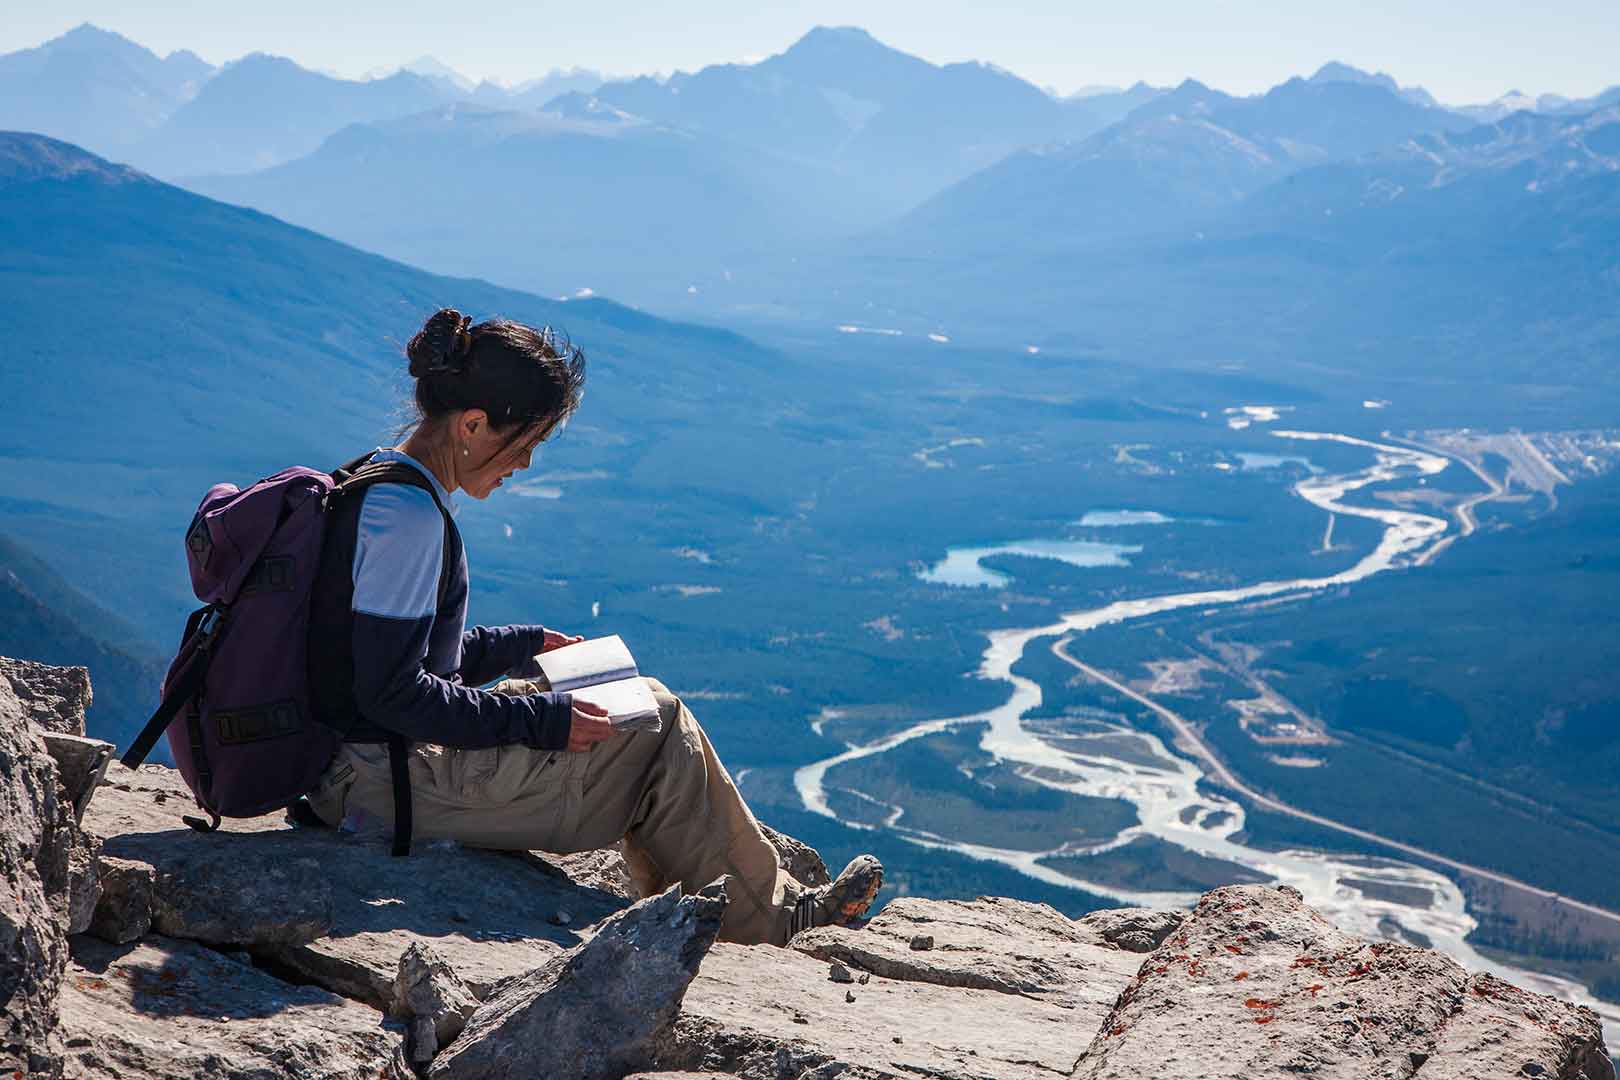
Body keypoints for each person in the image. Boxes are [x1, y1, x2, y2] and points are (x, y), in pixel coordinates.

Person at [303, 308, 882, 946]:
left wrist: (517, 646)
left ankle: (707, 909)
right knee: (652, 724)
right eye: (523, 443)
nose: (522, 464)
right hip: (379, 783)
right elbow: (390, 690)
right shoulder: (407, 519)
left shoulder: (377, 481)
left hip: (369, 763)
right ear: (472, 425)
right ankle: (765, 925)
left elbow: (386, 657)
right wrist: (544, 721)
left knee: (621, 709)